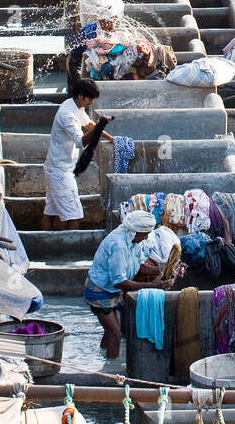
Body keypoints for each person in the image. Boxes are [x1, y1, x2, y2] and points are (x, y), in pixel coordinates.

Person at [84, 209, 171, 358]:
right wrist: (152, 286)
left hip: (110, 289)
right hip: (99, 290)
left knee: (109, 330)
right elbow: (119, 282)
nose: (146, 237)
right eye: (144, 234)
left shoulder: (133, 240)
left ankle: (102, 354)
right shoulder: (119, 245)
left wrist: (160, 270)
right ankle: (111, 372)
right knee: (116, 334)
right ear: (136, 231)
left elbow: (138, 265)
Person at [44, 78, 114, 231]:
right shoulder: (67, 114)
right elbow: (80, 142)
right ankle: (72, 249)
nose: (91, 102)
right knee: (74, 215)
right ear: (81, 96)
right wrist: (100, 126)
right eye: (90, 98)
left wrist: (110, 138)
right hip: (60, 171)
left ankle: (46, 243)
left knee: (50, 211)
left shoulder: (75, 106)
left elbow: (89, 124)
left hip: (56, 168)